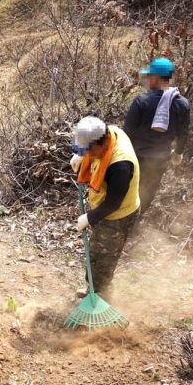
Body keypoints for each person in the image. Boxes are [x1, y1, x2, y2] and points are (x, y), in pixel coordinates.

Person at [69, 116, 141, 296]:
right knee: (94, 255)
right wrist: (81, 154)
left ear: (100, 144)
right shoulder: (106, 132)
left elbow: (114, 203)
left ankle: (100, 296)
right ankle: (93, 289)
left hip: (119, 215)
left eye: (88, 150)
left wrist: (90, 217)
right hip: (105, 207)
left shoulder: (121, 166)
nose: (87, 154)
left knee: (105, 260)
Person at [122, 57, 190, 212]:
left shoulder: (141, 101)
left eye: (150, 77)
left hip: (136, 158)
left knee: (129, 195)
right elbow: (183, 133)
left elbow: (128, 132)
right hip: (160, 160)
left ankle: (124, 228)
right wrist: (178, 153)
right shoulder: (182, 104)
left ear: (156, 78)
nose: (148, 81)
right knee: (146, 196)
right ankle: (135, 226)